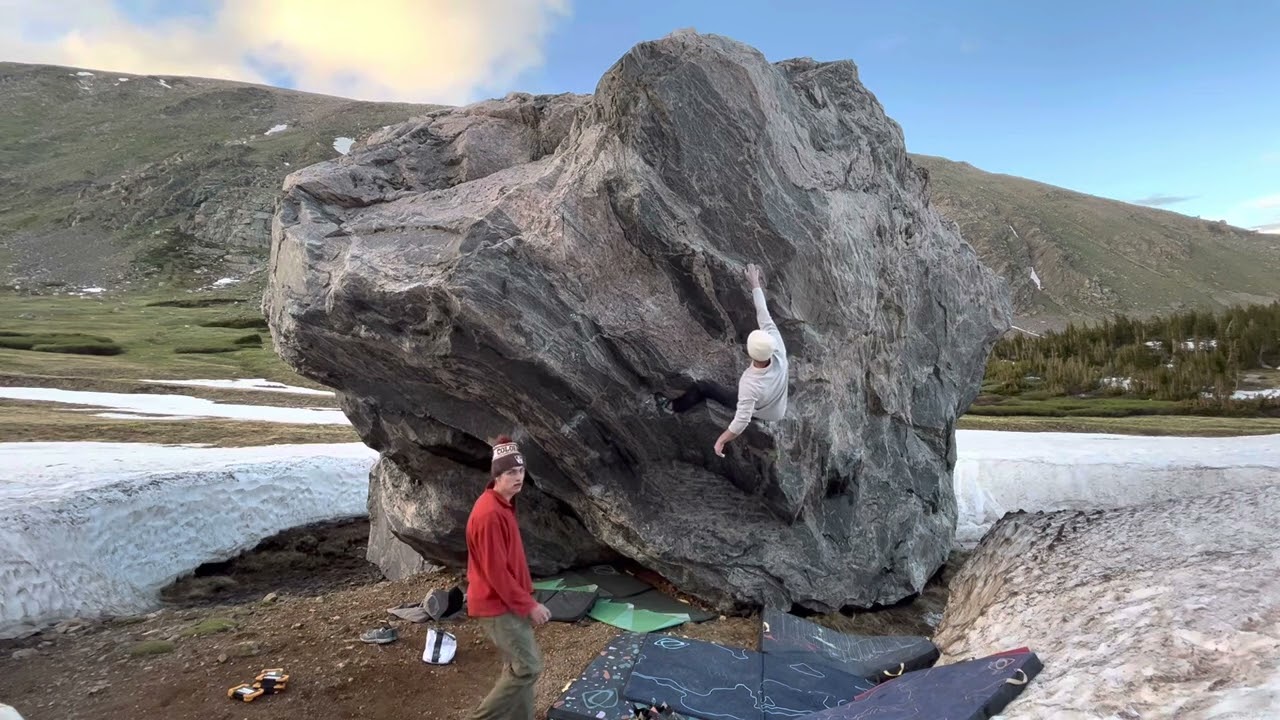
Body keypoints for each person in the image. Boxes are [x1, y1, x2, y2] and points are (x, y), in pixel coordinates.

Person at [656, 263, 788, 457]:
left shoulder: (750, 383)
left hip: (762, 409)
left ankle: (673, 407)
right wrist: (755, 284)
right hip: (778, 407)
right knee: (755, 398)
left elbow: (741, 420)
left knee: (703, 388)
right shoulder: (778, 348)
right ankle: (762, 412)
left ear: (751, 354)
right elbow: (763, 313)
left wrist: (721, 441)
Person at [465, 435, 552, 720]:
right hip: (497, 605)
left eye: (521, 471)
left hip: (507, 602)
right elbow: (496, 573)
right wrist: (529, 605)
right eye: (511, 472)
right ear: (497, 476)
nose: (518, 477)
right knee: (528, 667)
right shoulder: (489, 514)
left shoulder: (502, 505)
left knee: (518, 666)